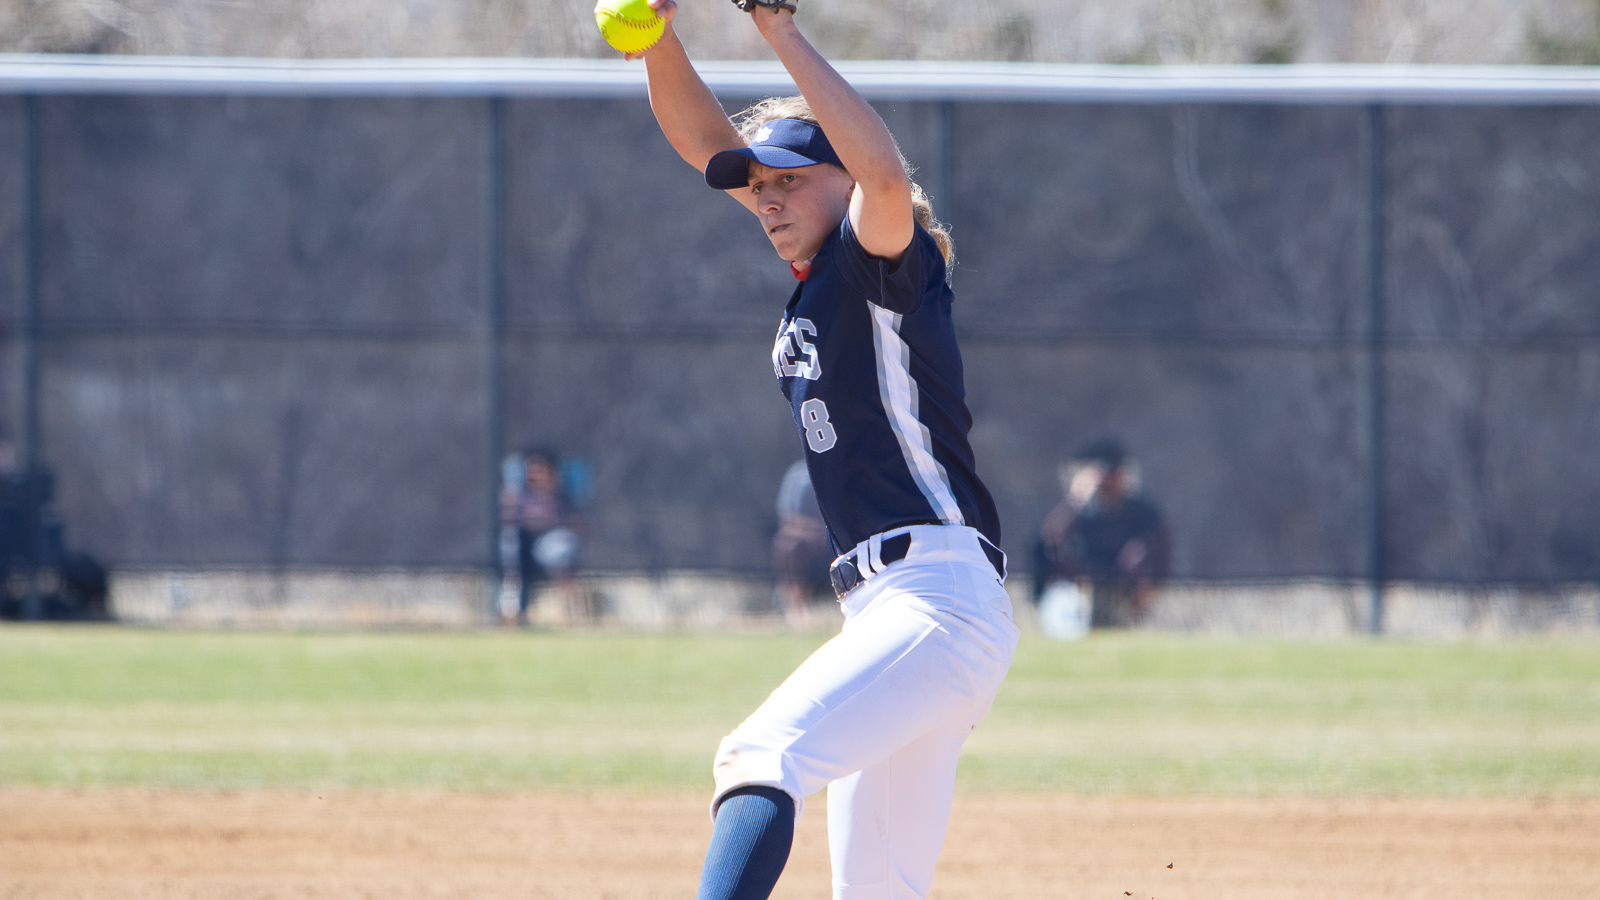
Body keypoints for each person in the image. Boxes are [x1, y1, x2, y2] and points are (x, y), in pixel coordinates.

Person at [631, 3, 1019, 898]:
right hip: (901, 610)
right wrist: (657, 42)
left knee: (761, 753)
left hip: (934, 600)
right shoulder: (815, 277)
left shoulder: (880, 260)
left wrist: (778, 30)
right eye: (756, 188)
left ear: (839, 183)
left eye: (788, 181)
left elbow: (880, 170)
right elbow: (705, 146)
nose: (766, 200)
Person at [1034, 438, 1171, 629]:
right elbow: (1052, 540)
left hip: (1125, 583)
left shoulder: (1141, 511)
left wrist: (1137, 566)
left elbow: (1160, 544)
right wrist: (1077, 499)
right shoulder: (1080, 509)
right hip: (1085, 582)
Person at [498, 449, 584, 625]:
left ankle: (571, 615)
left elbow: (580, 524)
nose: (535, 475)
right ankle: (512, 611)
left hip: (551, 541)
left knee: (562, 550)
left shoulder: (563, 494)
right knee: (510, 542)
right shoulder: (519, 494)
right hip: (524, 544)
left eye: (540, 469)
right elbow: (508, 521)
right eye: (531, 469)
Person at [771, 459, 831, 625]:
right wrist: (812, 531)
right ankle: (795, 609)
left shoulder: (834, 467)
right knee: (786, 544)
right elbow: (787, 519)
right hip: (809, 538)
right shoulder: (797, 473)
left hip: (839, 537)